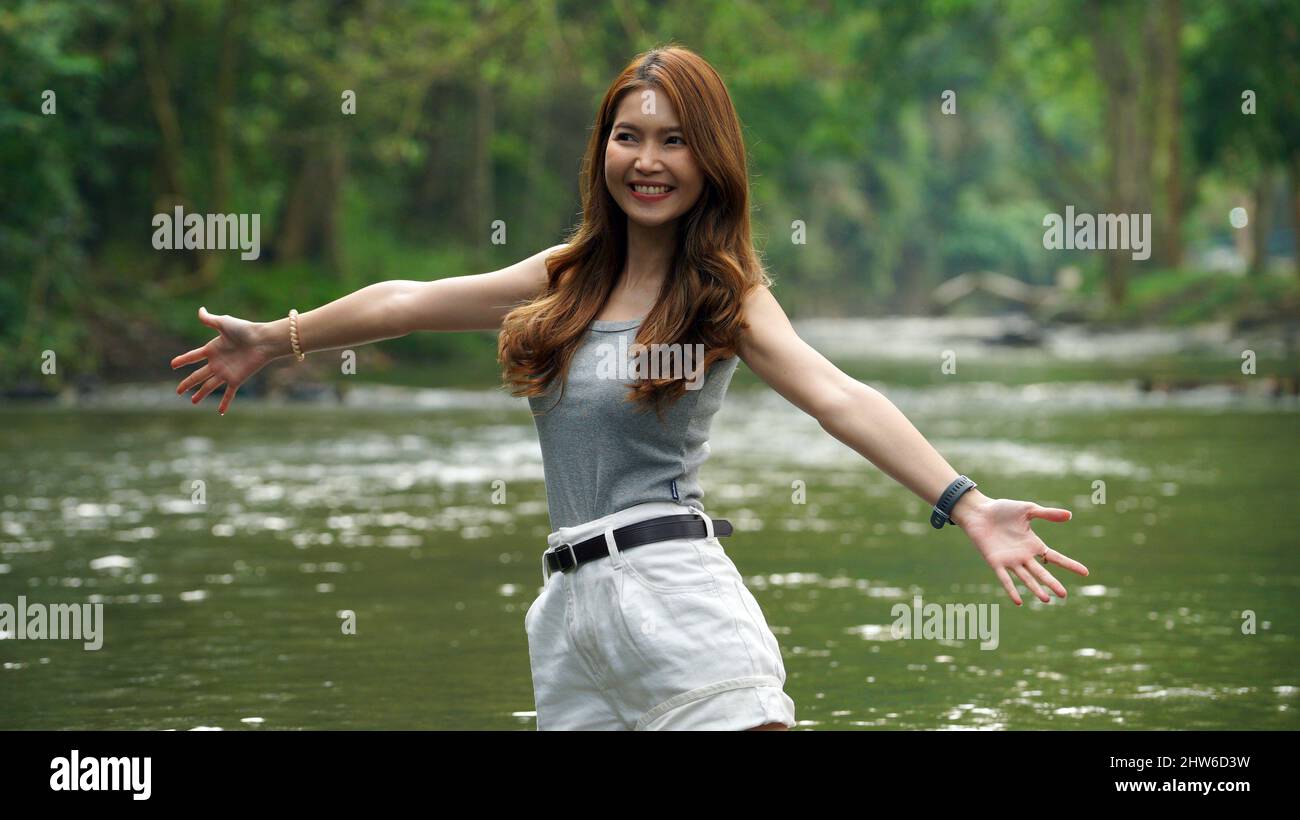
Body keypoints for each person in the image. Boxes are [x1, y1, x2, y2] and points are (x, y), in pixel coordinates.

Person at [171, 44, 1088, 731]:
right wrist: (275, 340)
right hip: (568, 617)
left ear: (709, 159)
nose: (647, 160)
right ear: (603, 150)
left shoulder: (727, 296)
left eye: (674, 141)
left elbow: (836, 396)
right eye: (628, 137)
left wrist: (962, 502)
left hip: (677, 594)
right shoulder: (563, 276)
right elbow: (407, 303)